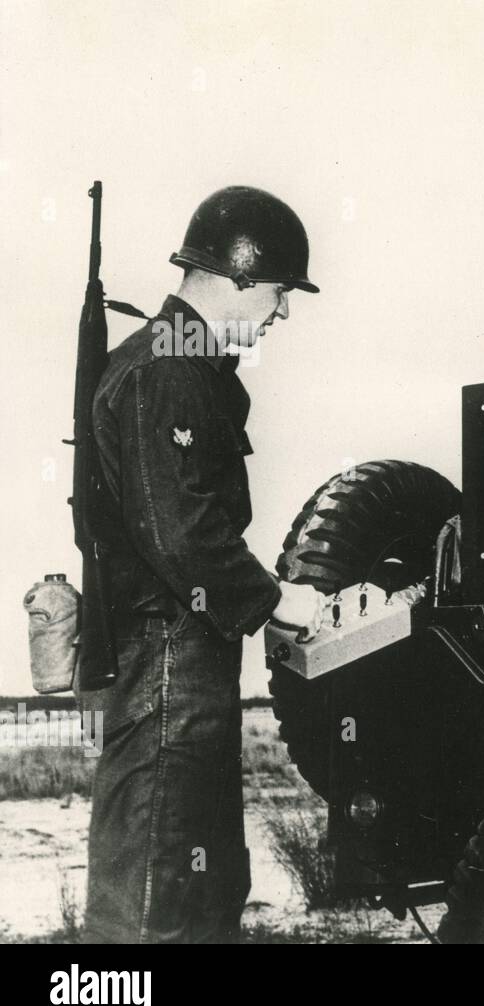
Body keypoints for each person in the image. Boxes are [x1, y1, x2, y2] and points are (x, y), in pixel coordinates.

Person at [78, 186, 326, 943]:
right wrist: (281, 599)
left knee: (204, 885)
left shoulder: (189, 366)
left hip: (188, 657)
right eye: (281, 292)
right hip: (168, 660)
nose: (283, 312)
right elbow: (178, 531)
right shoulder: (167, 368)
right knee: (151, 898)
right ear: (243, 278)